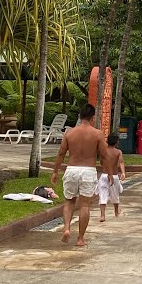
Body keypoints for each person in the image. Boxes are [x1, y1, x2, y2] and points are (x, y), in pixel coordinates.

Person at [50, 103, 107, 247]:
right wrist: (107, 172)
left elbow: (61, 153)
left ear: (80, 116)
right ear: (92, 118)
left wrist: (55, 171)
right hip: (88, 170)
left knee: (69, 201)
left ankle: (67, 228)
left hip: (72, 169)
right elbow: (104, 155)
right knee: (84, 205)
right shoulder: (97, 134)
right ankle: (80, 238)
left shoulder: (69, 133)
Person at [98, 133, 126, 223]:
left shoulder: (103, 151)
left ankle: (102, 215)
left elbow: (102, 163)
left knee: (102, 195)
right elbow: (121, 162)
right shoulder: (118, 152)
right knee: (115, 195)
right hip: (114, 175)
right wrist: (123, 172)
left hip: (104, 175)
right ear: (117, 142)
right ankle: (116, 211)